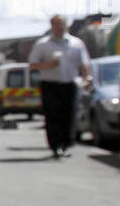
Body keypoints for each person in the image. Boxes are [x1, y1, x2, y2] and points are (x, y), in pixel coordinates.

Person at [28, 14, 92, 157]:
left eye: (62, 23)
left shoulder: (76, 43)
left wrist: (87, 77)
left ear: (67, 26)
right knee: (53, 116)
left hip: (70, 83)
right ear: (52, 26)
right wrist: (48, 65)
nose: (59, 27)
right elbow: (33, 64)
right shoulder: (43, 44)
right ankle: (55, 145)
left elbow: (84, 64)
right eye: (56, 24)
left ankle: (66, 143)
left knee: (69, 115)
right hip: (50, 85)